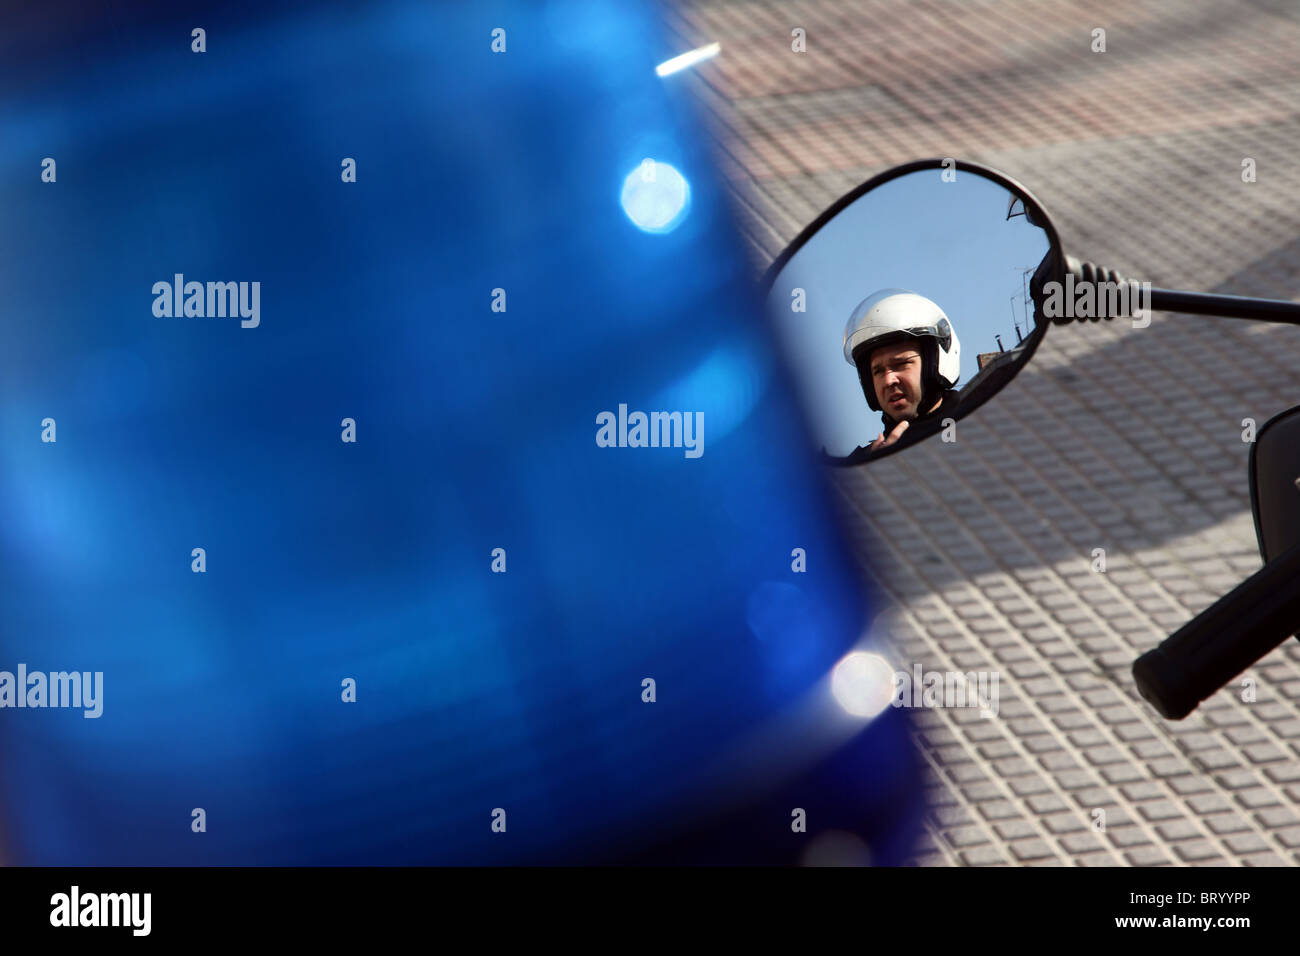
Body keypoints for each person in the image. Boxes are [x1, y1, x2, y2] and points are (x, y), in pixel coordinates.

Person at [823, 289, 961, 465]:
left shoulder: (980, 427)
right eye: (878, 371)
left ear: (935, 364)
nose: (889, 380)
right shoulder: (857, 468)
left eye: (901, 364)